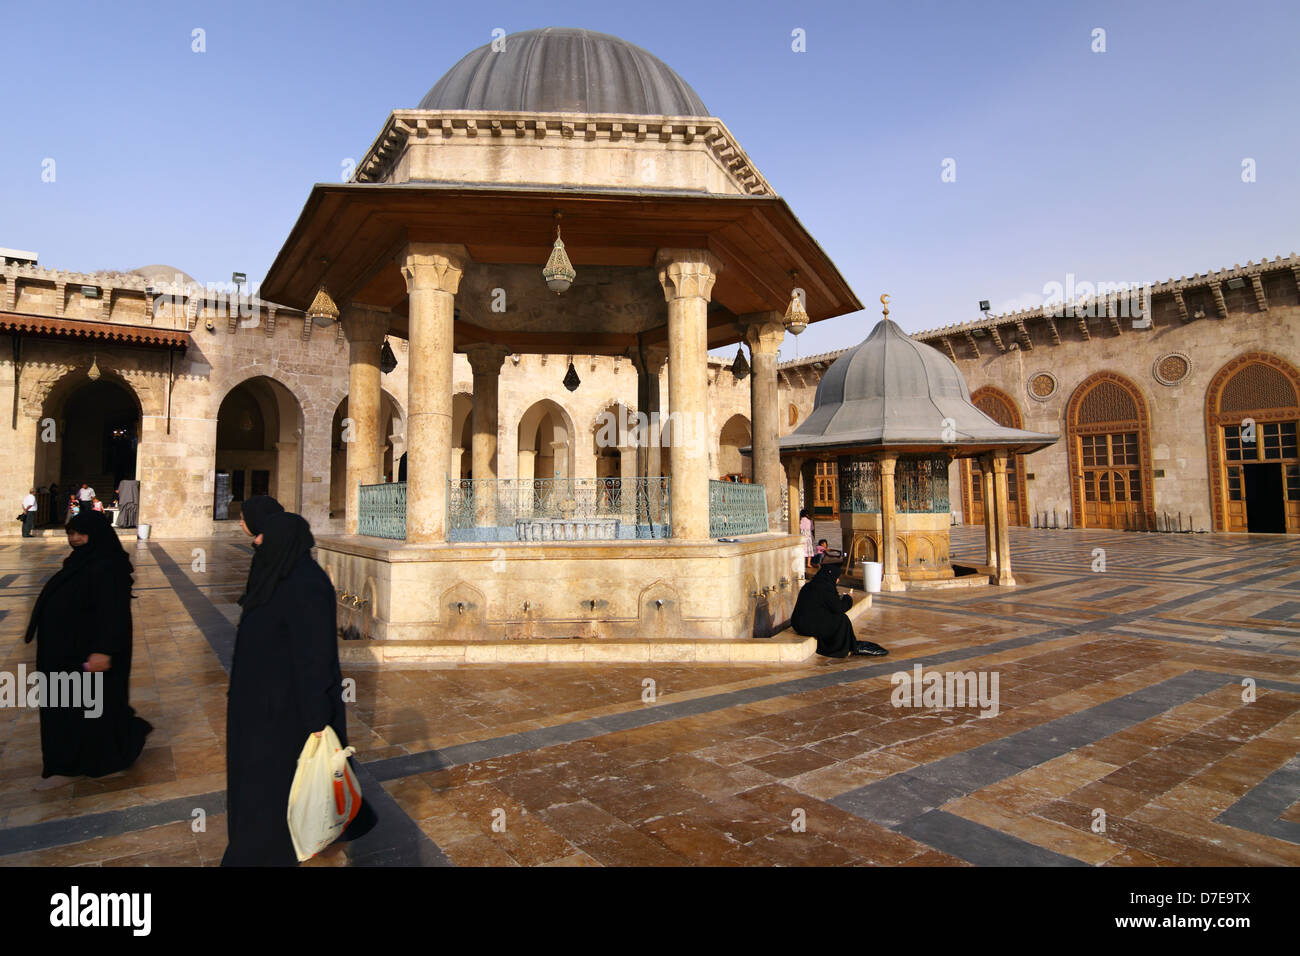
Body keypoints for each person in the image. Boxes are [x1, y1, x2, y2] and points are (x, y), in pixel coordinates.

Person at [223, 500, 375, 865]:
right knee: (264, 787)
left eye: (263, 536)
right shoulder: (273, 575)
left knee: (287, 786)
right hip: (261, 711)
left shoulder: (306, 583)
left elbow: (314, 659)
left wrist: (316, 719)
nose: (256, 542)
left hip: (291, 712)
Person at [23, 510, 152, 789]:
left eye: (81, 533)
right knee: (66, 709)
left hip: (88, 655)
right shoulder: (80, 562)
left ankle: (84, 764)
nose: (75, 538)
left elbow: (114, 613)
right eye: (71, 533)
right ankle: (67, 763)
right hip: (66, 654)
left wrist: (104, 650)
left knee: (86, 710)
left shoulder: (108, 566)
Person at [790, 551, 889, 659]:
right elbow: (839, 608)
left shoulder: (811, 585)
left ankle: (845, 644)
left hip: (798, 624)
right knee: (842, 620)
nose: (837, 580)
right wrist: (848, 598)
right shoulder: (825, 589)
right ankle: (837, 648)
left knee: (834, 618)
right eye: (836, 577)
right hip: (806, 626)